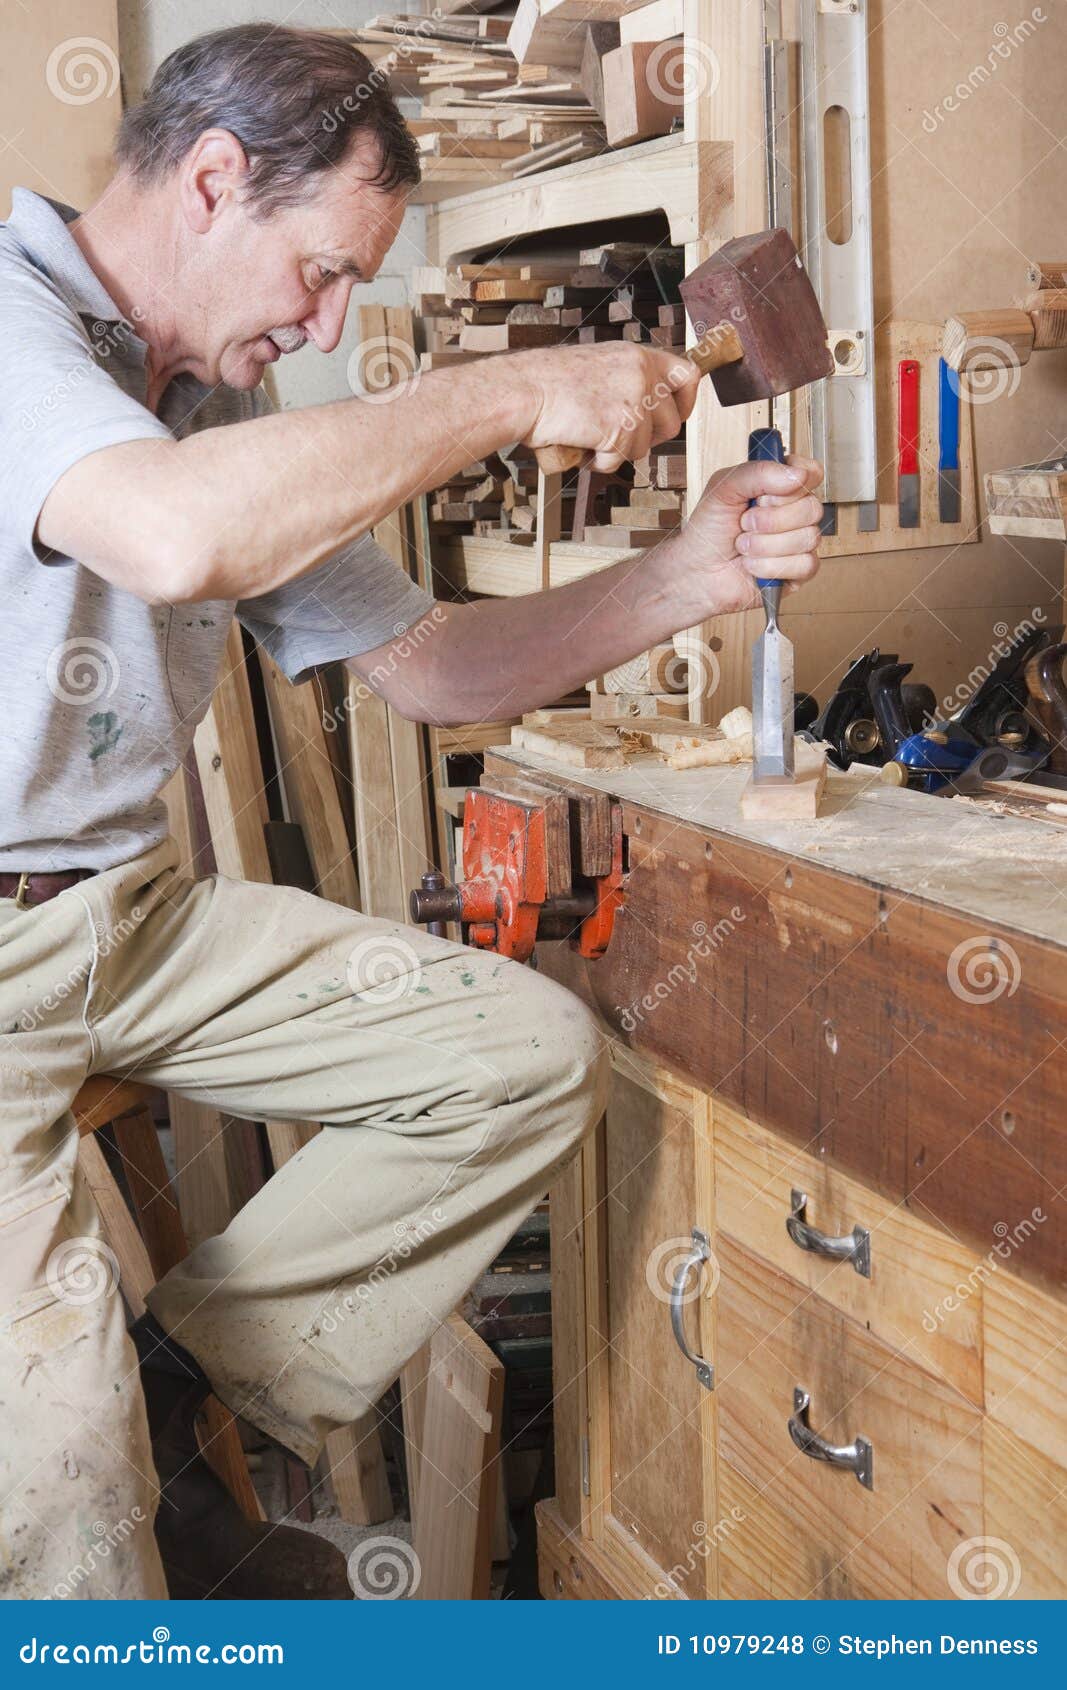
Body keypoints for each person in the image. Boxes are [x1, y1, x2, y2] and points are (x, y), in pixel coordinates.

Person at [0, 24, 823, 1600]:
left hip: (126, 914)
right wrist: (513, 389)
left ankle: (181, 1394)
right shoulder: (13, 331)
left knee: (521, 1059)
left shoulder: (208, 403)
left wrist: (690, 574)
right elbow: (171, 535)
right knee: (68, 1503)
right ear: (213, 181)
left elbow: (437, 669)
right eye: (320, 273)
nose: (323, 326)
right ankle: (109, 1472)